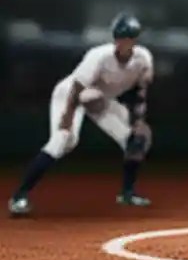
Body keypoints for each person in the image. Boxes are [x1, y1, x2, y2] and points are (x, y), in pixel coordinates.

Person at [8, 13, 156, 217]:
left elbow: (141, 91)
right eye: (120, 37)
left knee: (133, 139)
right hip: (70, 94)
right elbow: (77, 88)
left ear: (135, 39)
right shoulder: (99, 56)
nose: (124, 41)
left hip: (100, 99)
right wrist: (67, 117)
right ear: (115, 38)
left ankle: (127, 193)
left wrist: (138, 119)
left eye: (129, 37)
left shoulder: (143, 59)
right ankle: (19, 196)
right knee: (63, 140)